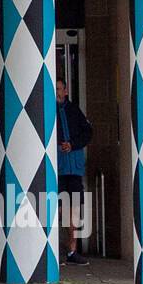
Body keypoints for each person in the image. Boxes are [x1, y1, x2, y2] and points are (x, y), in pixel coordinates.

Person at [56, 79, 93, 265]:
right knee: (60, 209)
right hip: (58, 168)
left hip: (75, 168)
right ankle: (62, 249)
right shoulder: (50, 110)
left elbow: (88, 133)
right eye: (55, 89)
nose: (57, 92)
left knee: (75, 209)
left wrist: (73, 144)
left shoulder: (74, 111)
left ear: (66, 91)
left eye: (60, 89)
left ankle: (72, 250)